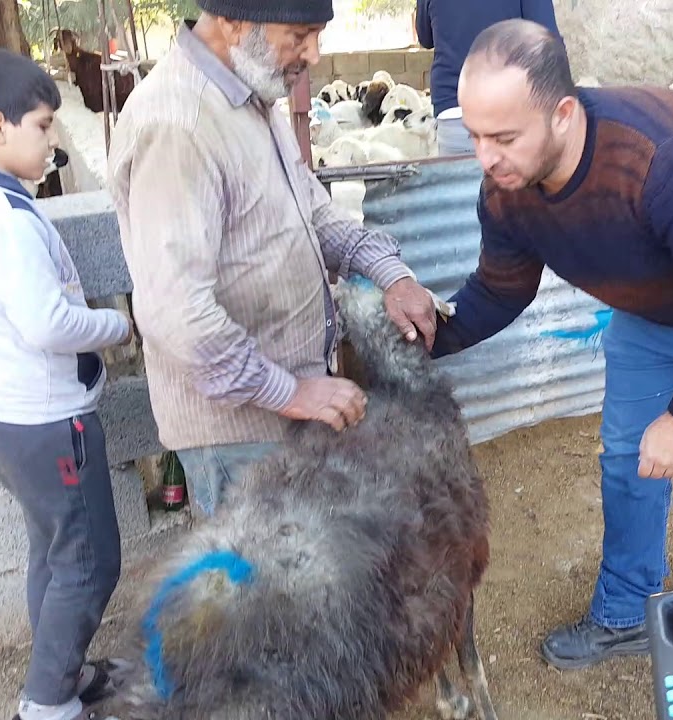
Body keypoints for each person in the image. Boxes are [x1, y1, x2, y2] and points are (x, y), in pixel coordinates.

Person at [430, 19, 673, 670]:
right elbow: (501, 289)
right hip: (657, 308)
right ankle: (624, 616)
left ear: (563, 114)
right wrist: (418, 340)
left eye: (504, 138)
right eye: (475, 137)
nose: (487, 158)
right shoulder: (507, 192)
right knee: (626, 461)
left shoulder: (667, 159)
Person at [108, 0, 437, 520]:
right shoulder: (177, 124)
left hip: (288, 414)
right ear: (234, 21)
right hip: (239, 438)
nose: (314, 53)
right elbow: (177, 312)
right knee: (265, 571)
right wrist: (290, 392)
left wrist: (391, 274)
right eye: (300, 34)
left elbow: (314, 212)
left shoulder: (250, 96)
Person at [0, 48, 131, 720]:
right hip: (48, 421)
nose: (52, 141)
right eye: (42, 126)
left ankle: (63, 673)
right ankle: (46, 704)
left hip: (9, 415)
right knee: (90, 565)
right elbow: (46, 323)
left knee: (54, 553)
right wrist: (117, 325)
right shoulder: (3, 219)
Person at [414, 0, 563, 155]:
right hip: (510, 105)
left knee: (458, 169)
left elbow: (425, 38)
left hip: (452, 109)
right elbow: (548, 40)